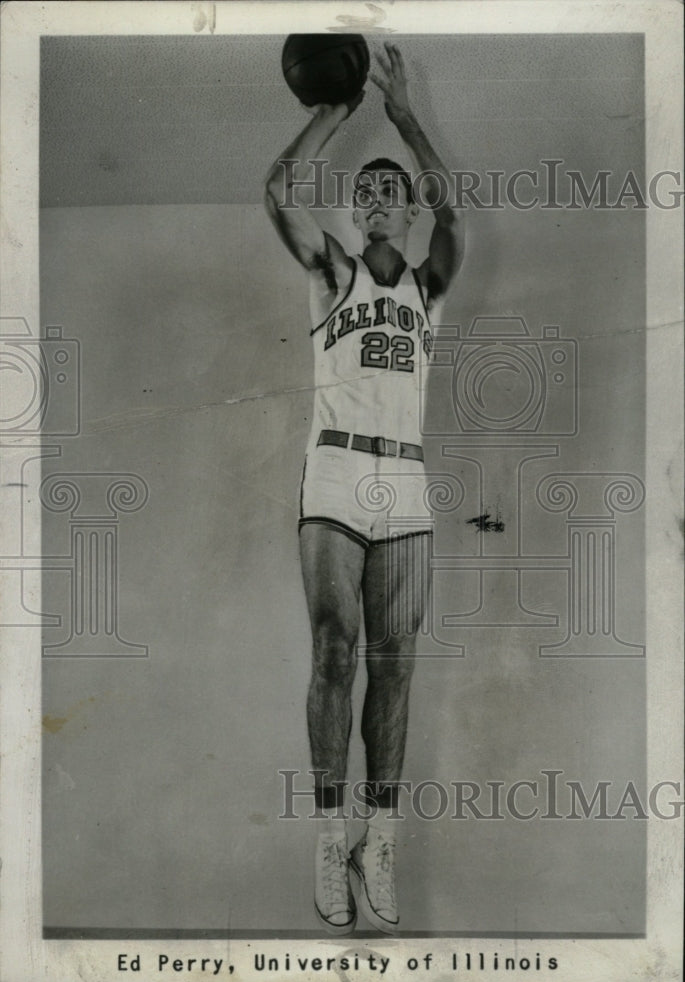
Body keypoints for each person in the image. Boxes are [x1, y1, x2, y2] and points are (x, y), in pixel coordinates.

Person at [264, 42, 464, 935]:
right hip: (338, 469)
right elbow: (277, 191)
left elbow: (455, 207)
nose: (382, 199)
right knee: (335, 648)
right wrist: (338, 111)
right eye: (368, 191)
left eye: (395, 191)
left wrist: (406, 112)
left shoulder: (428, 286)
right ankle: (327, 831)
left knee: (396, 661)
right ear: (355, 209)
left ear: (407, 211)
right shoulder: (330, 274)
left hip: (406, 477)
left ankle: (378, 837)